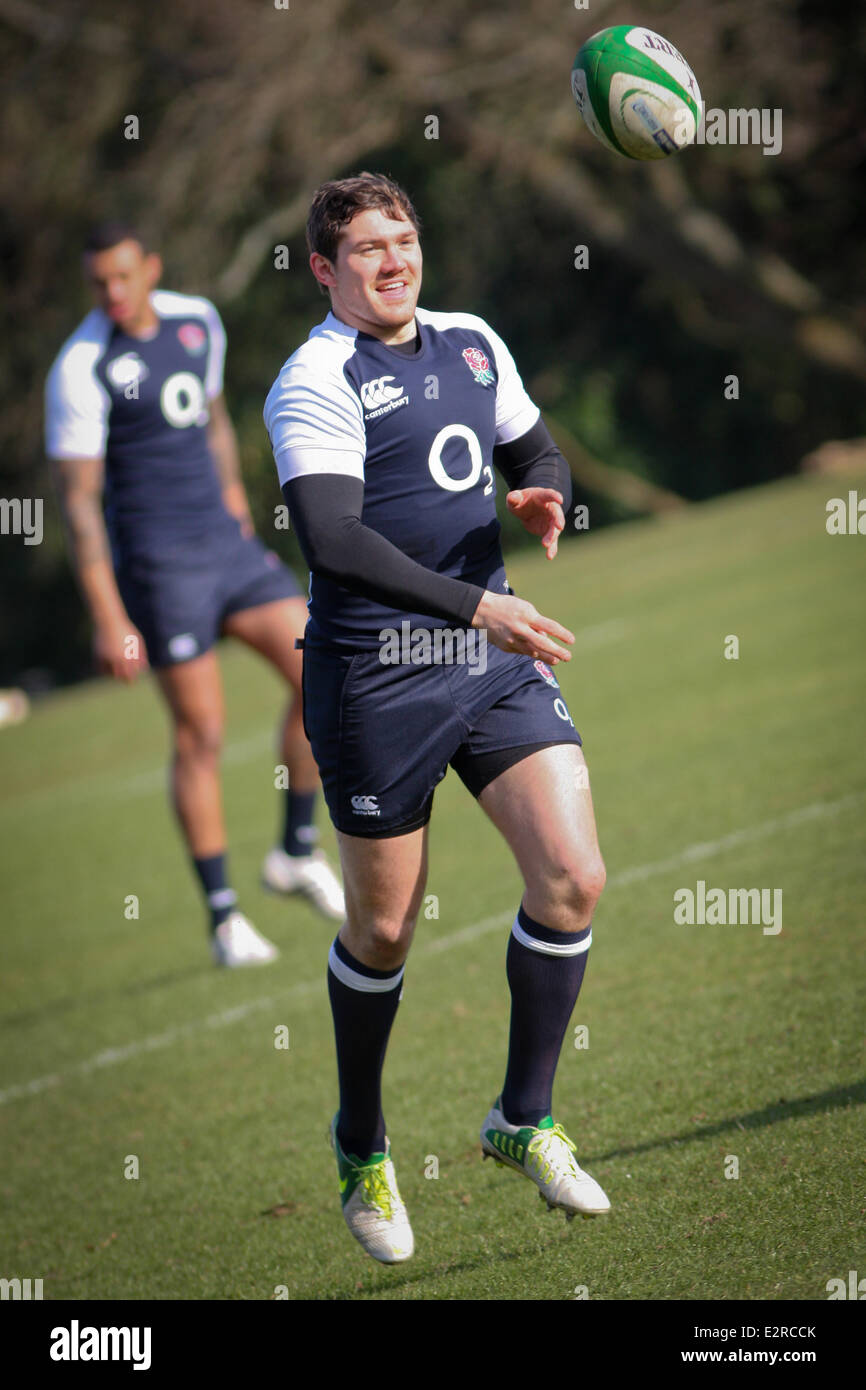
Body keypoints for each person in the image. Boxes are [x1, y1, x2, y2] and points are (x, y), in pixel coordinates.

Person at [264, 172, 610, 1264]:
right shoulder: (312, 378)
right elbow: (337, 541)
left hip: (488, 662)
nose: (392, 260)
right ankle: (361, 1141)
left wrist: (544, 489)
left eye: (402, 238)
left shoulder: (468, 338)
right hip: (374, 680)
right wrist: (479, 604)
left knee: (572, 875)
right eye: (365, 248)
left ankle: (521, 1118)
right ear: (324, 269)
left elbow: (531, 448)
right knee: (383, 930)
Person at [46, 223, 344, 968]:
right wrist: (110, 616)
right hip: (160, 570)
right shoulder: (80, 368)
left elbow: (211, 418)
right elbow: (80, 506)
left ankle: (295, 850)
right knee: (202, 733)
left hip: (227, 550)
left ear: (150, 268)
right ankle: (224, 920)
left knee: (327, 668)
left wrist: (240, 502)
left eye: (123, 277)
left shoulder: (195, 320)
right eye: (98, 284)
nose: (113, 294)